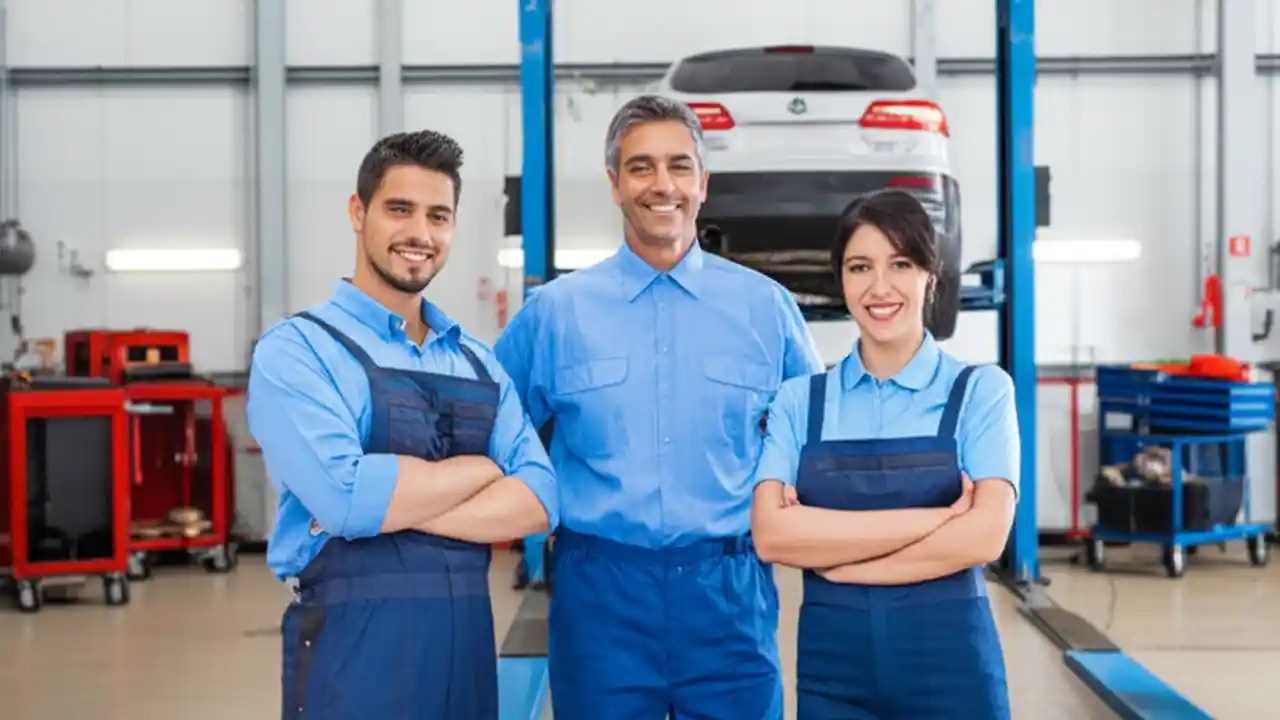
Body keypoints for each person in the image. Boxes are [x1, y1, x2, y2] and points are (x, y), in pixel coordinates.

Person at [494, 94, 824, 719]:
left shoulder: (767, 310)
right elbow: (486, 430)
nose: (662, 184)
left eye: (679, 165)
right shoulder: (556, 314)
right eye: (641, 167)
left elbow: (817, 446)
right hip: (600, 596)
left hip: (729, 592)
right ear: (614, 183)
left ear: (703, 182)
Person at [246, 129, 558, 720]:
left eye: (438, 215)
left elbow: (539, 501)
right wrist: (482, 468)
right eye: (399, 209)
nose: (420, 232)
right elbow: (343, 498)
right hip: (353, 652)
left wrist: (390, 508)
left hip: (465, 651)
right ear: (358, 213)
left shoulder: (476, 362)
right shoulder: (299, 352)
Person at [750, 189, 1019, 720]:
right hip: (834, 675)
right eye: (859, 267)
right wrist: (940, 519)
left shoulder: (981, 392)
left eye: (900, 263)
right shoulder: (800, 401)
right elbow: (772, 535)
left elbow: (985, 537)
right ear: (841, 280)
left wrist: (842, 562)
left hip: (952, 672)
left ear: (929, 274)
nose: (879, 287)